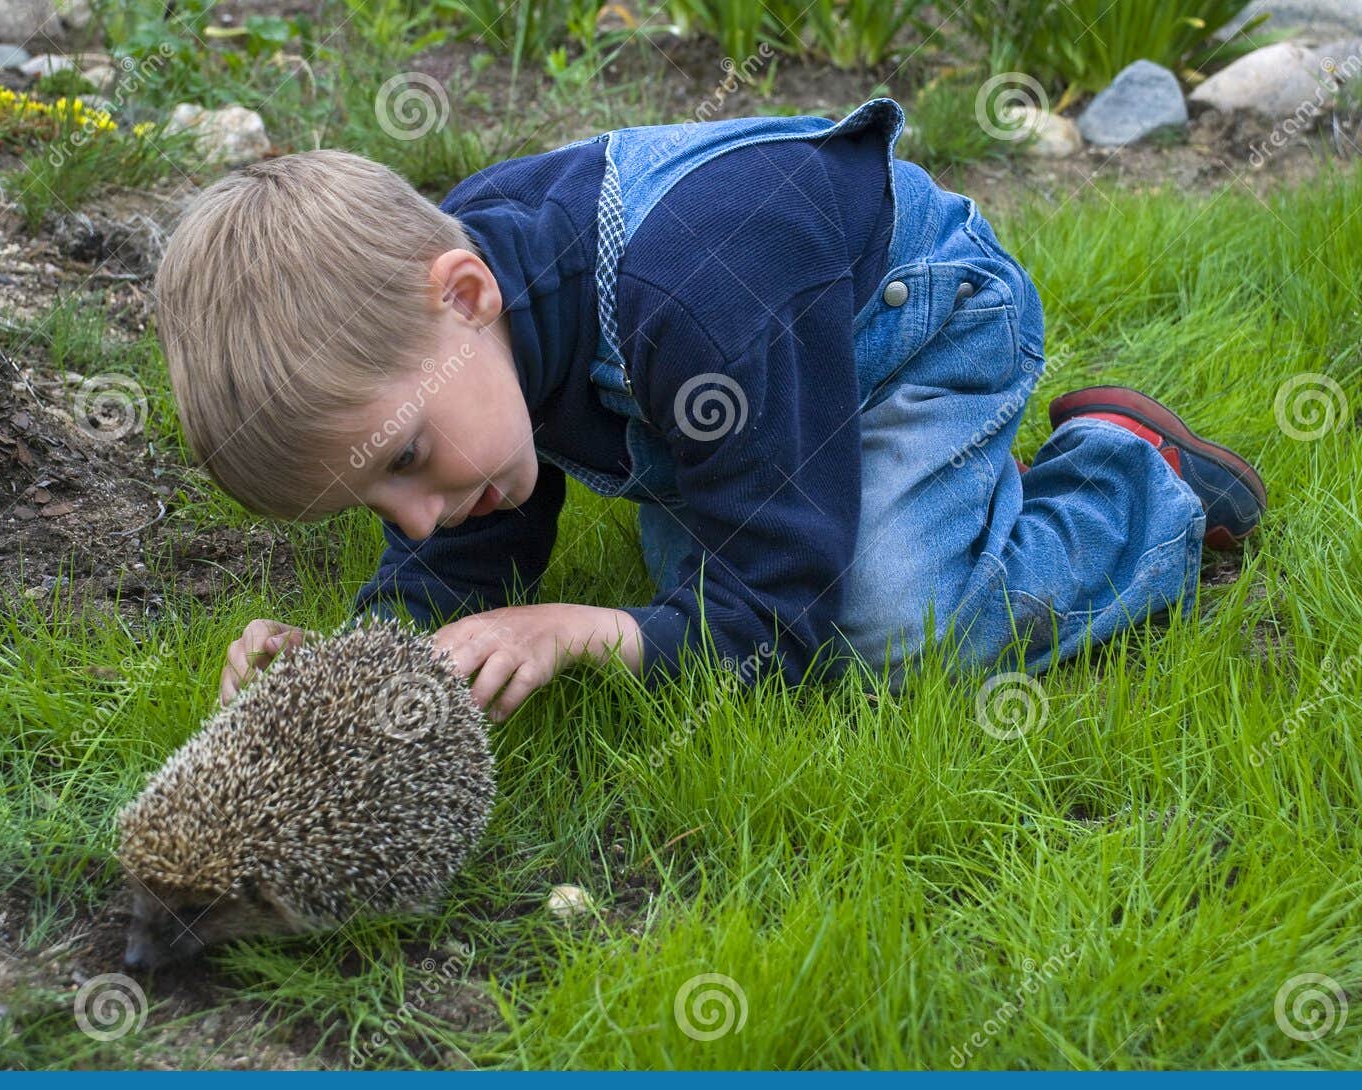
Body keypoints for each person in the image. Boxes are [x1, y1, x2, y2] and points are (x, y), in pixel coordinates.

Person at [153, 97, 1266, 721]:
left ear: (464, 295)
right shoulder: (464, 328)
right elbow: (476, 522)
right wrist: (365, 649)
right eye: (376, 498)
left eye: (403, 459)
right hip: (753, 377)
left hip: (913, 333)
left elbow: (779, 614)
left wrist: (587, 629)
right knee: (697, 579)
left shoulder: (700, 296)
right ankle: (847, 486)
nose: (412, 519)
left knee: (879, 628)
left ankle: (1126, 476)